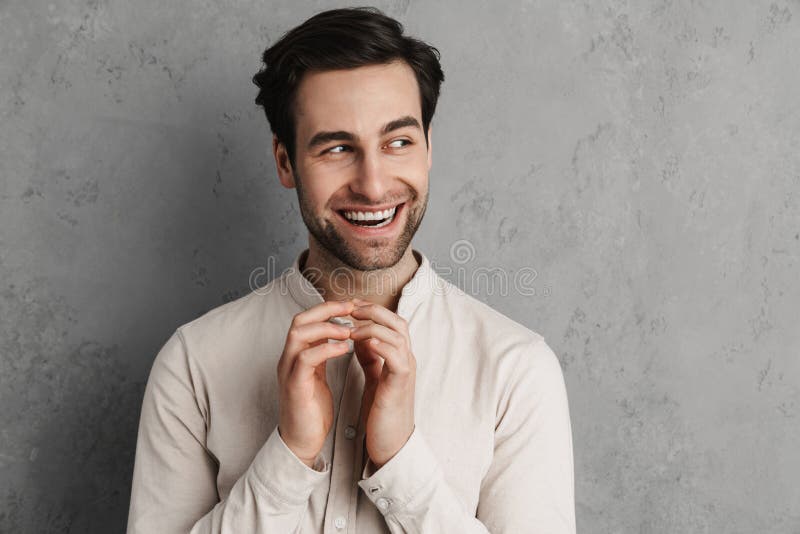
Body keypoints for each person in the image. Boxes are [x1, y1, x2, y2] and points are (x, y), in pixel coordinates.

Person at [126, 7, 575, 533]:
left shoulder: (517, 372)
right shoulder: (192, 364)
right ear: (285, 162)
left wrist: (400, 464)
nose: (373, 183)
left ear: (428, 147)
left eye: (398, 142)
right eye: (338, 148)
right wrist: (288, 456)